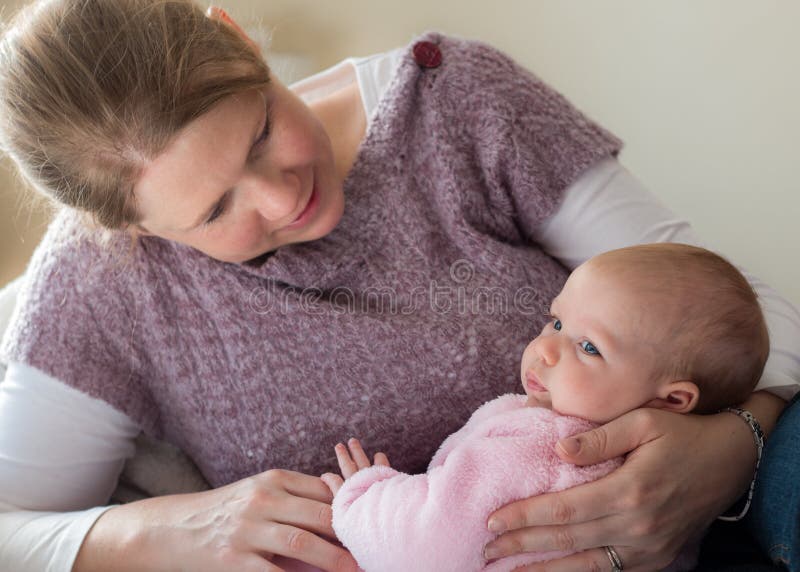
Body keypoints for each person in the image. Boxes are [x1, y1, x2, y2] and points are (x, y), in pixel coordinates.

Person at [0, 1, 797, 571]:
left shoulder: (455, 100)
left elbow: (733, 308)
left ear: (239, 37)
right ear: (131, 230)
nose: (283, 197)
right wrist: (163, 534)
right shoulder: (101, 288)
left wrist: (735, 446)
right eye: (215, 210)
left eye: (262, 132)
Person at [319, 243, 769, 572]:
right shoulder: (673, 483)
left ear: (671, 400)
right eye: (555, 321)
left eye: (589, 347)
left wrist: (363, 495)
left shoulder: (540, 449)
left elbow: (420, 548)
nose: (546, 349)